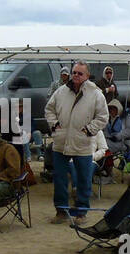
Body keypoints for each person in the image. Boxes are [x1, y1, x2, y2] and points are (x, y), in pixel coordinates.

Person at [45, 61, 108, 224]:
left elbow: (103, 117)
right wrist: (55, 125)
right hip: (61, 142)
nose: (76, 75)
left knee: (83, 180)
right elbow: (49, 109)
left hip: (83, 143)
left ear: (87, 76)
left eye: (80, 73)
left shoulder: (96, 93)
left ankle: (81, 213)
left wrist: (89, 130)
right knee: (59, 179)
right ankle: (61, 211)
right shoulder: (60, 91)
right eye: (74, 72)